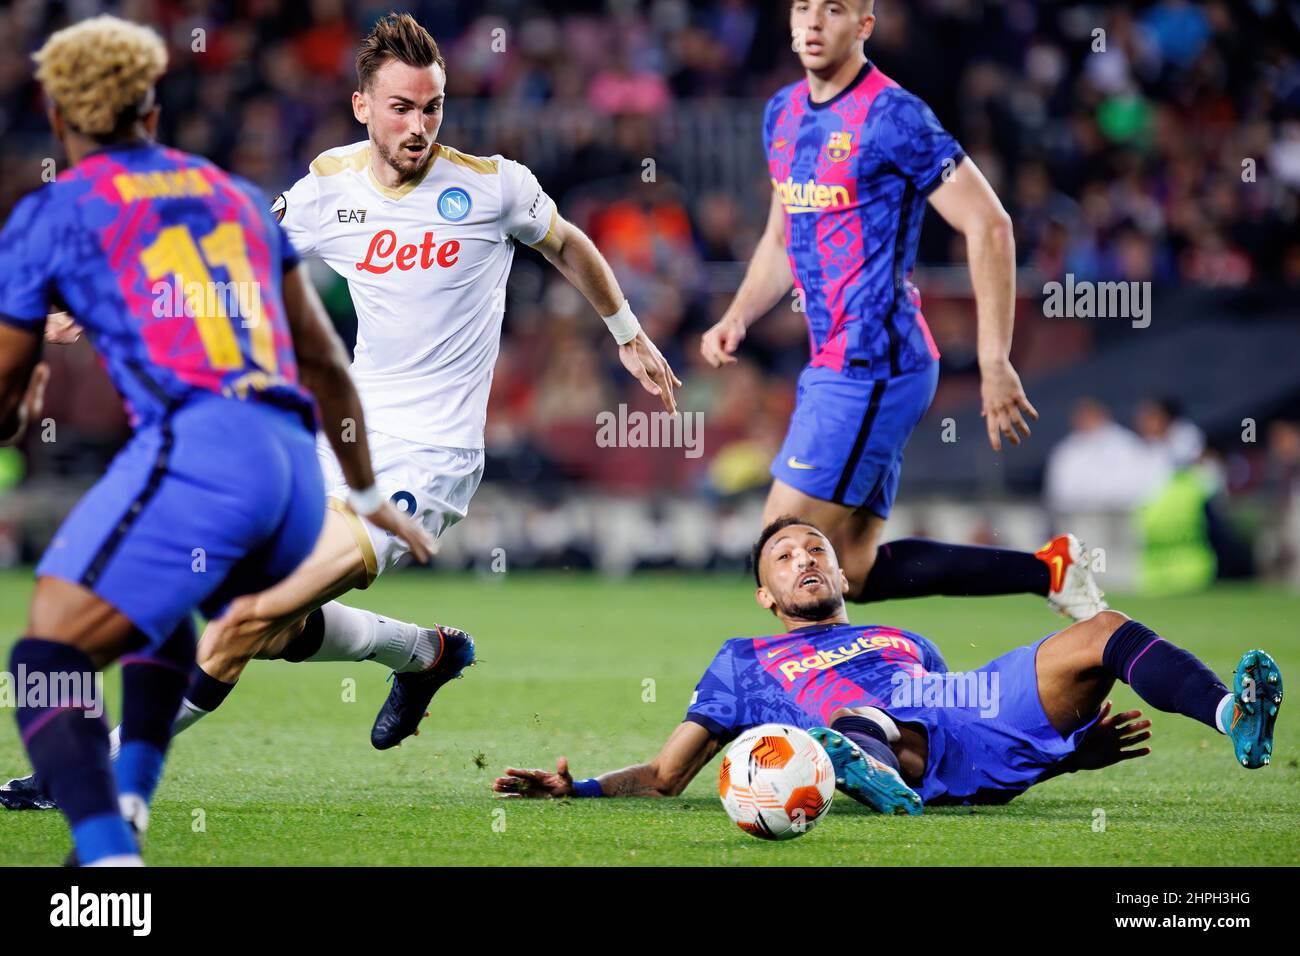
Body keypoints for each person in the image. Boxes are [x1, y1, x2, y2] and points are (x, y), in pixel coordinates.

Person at [1, 13, 682, 818]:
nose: (420, 126)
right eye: (401, 108)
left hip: (429, 462)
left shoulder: (495, 185)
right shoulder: (329, 188)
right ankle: (427, 654)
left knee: (245, 619)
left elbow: (567, 243)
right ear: (362, 105)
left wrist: (627, 333)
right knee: (250, 612)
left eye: (431, 107)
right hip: (337, 442)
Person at [0, 16, 430, 862]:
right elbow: (324, 361)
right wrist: (368, 491)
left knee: (47, 652)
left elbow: (3, 401)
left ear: (58, 121)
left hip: (203, 450)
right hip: (298, 473)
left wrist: (23, 405)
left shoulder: (50, 214)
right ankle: (127, 793)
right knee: (158, 611)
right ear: (152, 113)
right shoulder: (231, 194)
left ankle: (106, 864)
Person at [699, 0, 1101, 620]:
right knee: (851, 571)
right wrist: (739, 315)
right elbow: (784, 237)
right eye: (802, 6)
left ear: (864, 25)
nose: (811, 21)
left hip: (872, 363)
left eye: (832, 9)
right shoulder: (781, 113)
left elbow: (989, 224)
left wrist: (995, 359)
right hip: (841, 361)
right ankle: (1048, 571)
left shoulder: (895, 116)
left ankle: (819, 705)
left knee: (783, 551)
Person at [495, 518, 1281, 809]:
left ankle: (1230, 716)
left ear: (843, 578)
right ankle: (858, 767)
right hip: (873, 732)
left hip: (961, 706)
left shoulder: (905, 638)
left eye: (817, 552)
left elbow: (975, 768)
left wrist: (1066, 762)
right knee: (858, 718)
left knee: (1103, 628)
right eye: (783, 558)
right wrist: (584, 789)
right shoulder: (744, 660)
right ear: (765, 595)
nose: (804, 560)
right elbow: (669, 776)